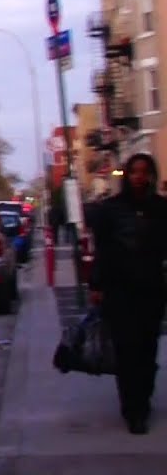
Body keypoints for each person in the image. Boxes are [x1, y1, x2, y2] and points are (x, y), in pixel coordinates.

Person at [88, 152, 167, 434]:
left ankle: (143, 400)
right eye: (134, 171)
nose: (139, 177)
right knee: (126, 351)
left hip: (151, 288)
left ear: (151, 175)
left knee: (147, 350)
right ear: (127, 174)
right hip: (120, 289)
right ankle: (132, 409)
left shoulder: (160, 208)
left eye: (144, 171)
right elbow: (102, 250)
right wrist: (96, 285)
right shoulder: (110, 209)